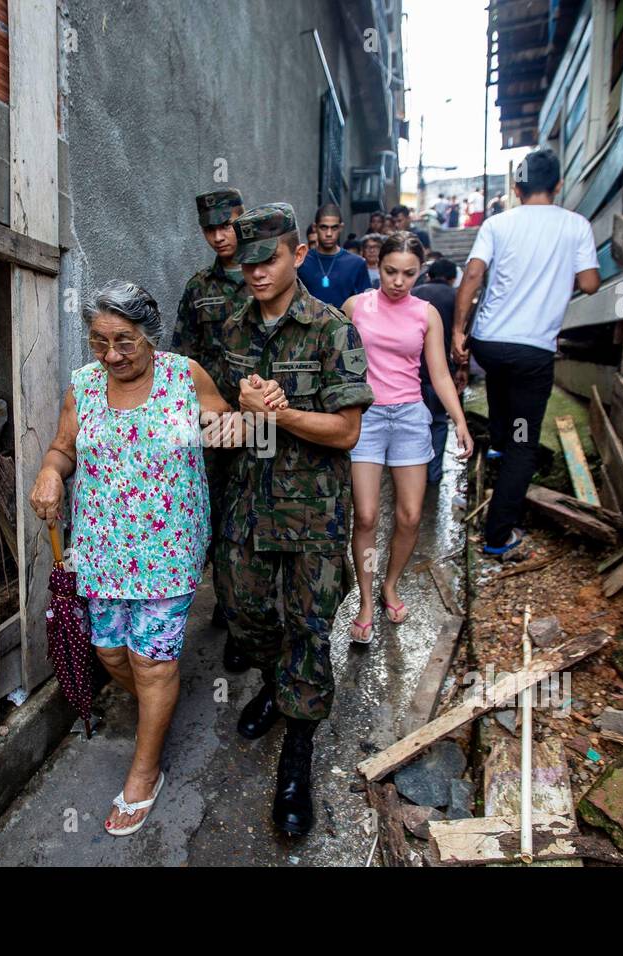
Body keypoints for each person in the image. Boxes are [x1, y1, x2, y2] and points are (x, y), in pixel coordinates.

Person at [28, 282, 288, 837]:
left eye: (124, 341)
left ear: (150, 336)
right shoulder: (84, 385)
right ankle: (157, 701)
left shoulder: (182, 376)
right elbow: (63, 447)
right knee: (111, 652)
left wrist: (257, 413)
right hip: (99, 546)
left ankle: (144, 772)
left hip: (168, 547)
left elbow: (233, 433)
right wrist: (51, 470)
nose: (112, 354)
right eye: (99, 341)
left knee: (151, 662)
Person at [216, 203, 374, 836]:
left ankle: (297, 755)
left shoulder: (333, 330)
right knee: (245, 616)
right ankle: (274, 681)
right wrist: (241, 414)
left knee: (309, 627)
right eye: (247, 260)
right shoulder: (232, 329)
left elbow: (346, 431)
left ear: (299, 254)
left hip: (313, 509)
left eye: (269, 257)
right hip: (248, 502)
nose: (256, 270)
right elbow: (226, 414)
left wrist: (279, 415)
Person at [452, 148, 601, 558]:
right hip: (531, 351)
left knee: (502, 388)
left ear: (516, 189)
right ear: (558, 186)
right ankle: (499, 537)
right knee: (525, 444)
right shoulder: (576, 226)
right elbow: (589, 283)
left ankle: (499, 439)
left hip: (490, 343)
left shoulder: (498, 224)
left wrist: (457, 329)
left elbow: (473, 276)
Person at [342, 234, 471, 643]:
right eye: (391, 271)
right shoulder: (355, 307)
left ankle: (390, 584)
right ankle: (365, 599)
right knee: (364, 516)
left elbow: (439, 374)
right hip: (366, 417)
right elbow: (336, 365)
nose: (398, 281)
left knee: (410, 515)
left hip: (410, 417)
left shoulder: (427, 314)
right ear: (377, 265)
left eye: (409, 273)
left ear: (421, 271)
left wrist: (460, 421)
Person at [169, 188, 252, 666]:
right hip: (212, 424)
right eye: (211, 228)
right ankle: (228, 604)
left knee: (253, 520)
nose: (220, 236)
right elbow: (182, 358)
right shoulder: (199, 287)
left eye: (228, 225)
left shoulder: (266, 279)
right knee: (217, 516)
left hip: (265, 423)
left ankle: (249, 620)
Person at [411, 257, 464, 484]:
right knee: (438, 423)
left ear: (429, 275)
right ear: (452, 279)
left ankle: (412, 475)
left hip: (411, 373)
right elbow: (461, 338)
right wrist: (462, 369)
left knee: (412, 425)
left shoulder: (414, 293)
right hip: (441, 373)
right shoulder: (456, 297)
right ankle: (433, 476)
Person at [296, 202, 372, 309]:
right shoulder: (301, 261)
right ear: (315, 227)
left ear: (341, 228)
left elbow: (367, 306)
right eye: (324, 227)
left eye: (334, 228)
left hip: (344, 324)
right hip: (306, 324)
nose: (329, 233)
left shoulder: (356, 263)